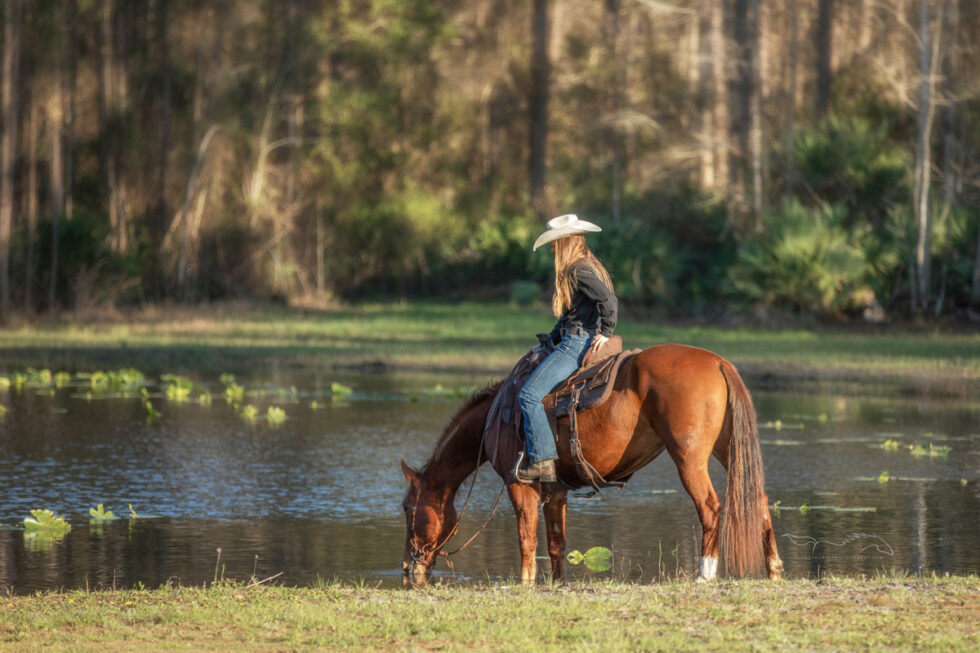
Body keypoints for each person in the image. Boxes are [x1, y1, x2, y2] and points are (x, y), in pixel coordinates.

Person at [516, 214, 618, 484]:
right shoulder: (588, 265)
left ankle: (543, 461)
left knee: (528, 395)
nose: (551, 248)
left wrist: (606, 332)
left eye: (554, 243)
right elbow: (571, 315)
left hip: (576, 343)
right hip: (572, 337)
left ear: (564, 243)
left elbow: (608, 301)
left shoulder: (577, 270)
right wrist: (550, 340)